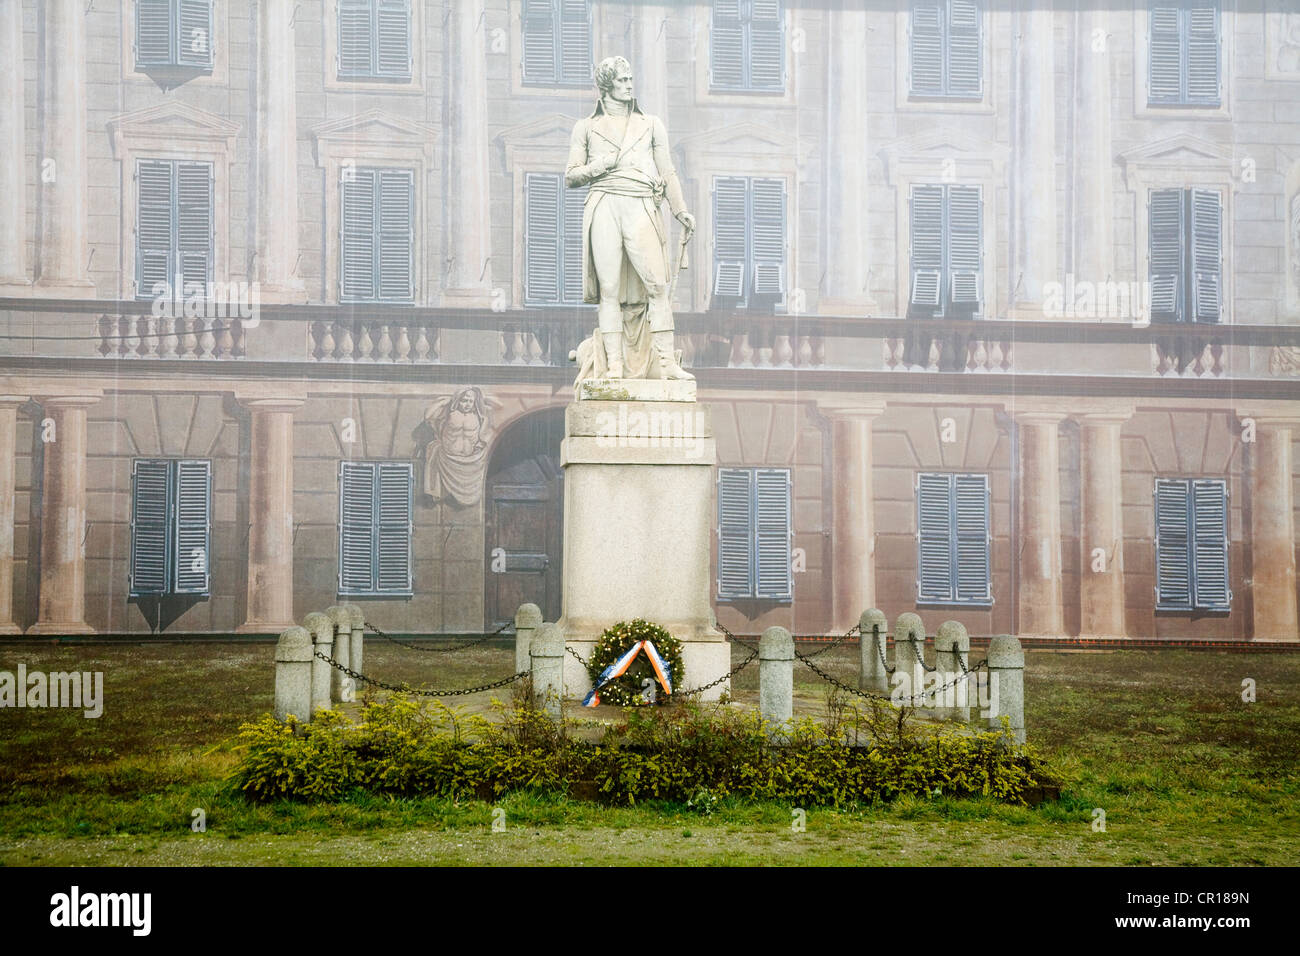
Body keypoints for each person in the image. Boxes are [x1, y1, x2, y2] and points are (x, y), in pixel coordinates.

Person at [565, 55, 695, 380]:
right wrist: (600, 166)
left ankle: (666, 364)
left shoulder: (650, 124)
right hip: (605, 202)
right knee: (609, 291)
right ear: (606, 86)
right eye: (622, 80)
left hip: (640, 204)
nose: (629, 85)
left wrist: (680, 210)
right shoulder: (586, 127)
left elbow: (667, 171)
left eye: (630, 79)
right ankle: (615, 366)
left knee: (658, 286)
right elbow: (571, 176)